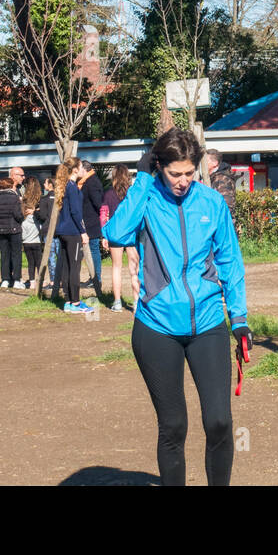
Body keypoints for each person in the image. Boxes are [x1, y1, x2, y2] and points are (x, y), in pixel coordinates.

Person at [104, 128, 250, 486]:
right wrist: (141, 182)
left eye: (189, 172)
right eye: (174, 174)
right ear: (159, 168)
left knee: (218, 420)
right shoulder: (148, 196)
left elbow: (230, 260)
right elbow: (117, 234)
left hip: (209, 322)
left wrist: (240, 317)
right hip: (156, 326)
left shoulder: (211, 203)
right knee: (173, 425)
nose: (183, 181)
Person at [54, 158, 91, 313]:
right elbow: (76, 212)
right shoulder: (73, 188)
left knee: (66, 267)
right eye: (82, 166)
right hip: (72, 232)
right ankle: (75, 303)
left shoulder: (65, 186)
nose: (83, 169)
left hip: (62, 231)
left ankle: (68, 301)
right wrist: (83, 232)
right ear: (75, 169)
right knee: (74, 268)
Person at [101, 165, 138, 313]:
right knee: (134, 268)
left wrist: (104, 235)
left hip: (115, 234)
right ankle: (136, 302)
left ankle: (117, 302)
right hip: (131, 233)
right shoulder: (133, 193)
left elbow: (104, 215)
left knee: (116, 267)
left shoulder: (108, 194)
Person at [0, 177, 25, 288]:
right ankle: (16, 280)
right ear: (11, 186)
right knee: (16, 255)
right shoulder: (15, 199)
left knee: (4, 255)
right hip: (14, 229)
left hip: (0, 230)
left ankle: (5, 279)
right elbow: (18, 215)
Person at [79, 160, 106, 299]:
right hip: (89, 221)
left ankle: (96, 278)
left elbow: (98, 203)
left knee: (93, 250)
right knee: (91, 250)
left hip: (92, 222)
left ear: (84, 169)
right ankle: (93, 277)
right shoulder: (87, 181)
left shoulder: (92, 182)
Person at [20, 178, 44, 287]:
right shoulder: (41, 201)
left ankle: (32, 282)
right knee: (39, 261)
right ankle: (41, 281)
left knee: (30, 262)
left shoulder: (23, 201)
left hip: (26, 239)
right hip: (37, 239)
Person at [35, 176, 57, 286]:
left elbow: (43, 216)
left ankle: (53, 280)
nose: (44, 185)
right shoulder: (61, 197)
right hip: (60, 229)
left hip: (48, 229)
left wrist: (36, 212)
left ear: (50, 185)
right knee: (61, 255)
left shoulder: (44, 199)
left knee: (50, 256)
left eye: (45, 183)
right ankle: (61, 279)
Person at [204, 149, 237, 213]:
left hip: (221, 220)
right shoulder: (214, 177)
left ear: (215, 163)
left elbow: (227, 205)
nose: (203, 165)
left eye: (206, 161)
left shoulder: (221, 179)